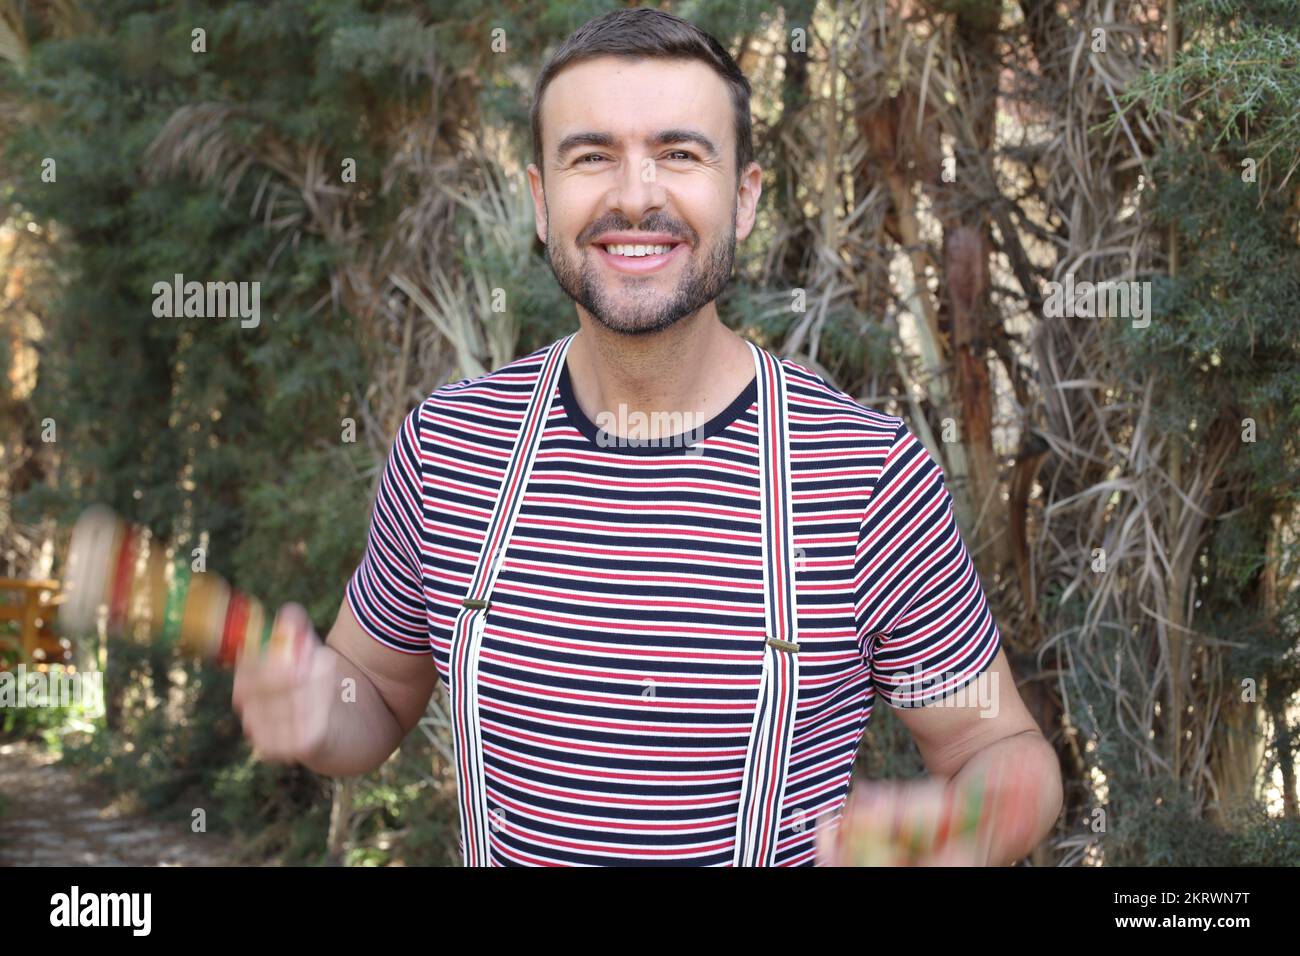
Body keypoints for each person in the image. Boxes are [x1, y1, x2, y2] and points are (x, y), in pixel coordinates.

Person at [232, 7, 1062, 867]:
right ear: (540, 201)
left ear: (744, 199)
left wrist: (959, 830)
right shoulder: (448, 447)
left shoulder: (863, 474)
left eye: (680, 153)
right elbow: (372, 695)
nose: (635, 195)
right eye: (591, 156)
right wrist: (312, 703)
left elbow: (997, 751)